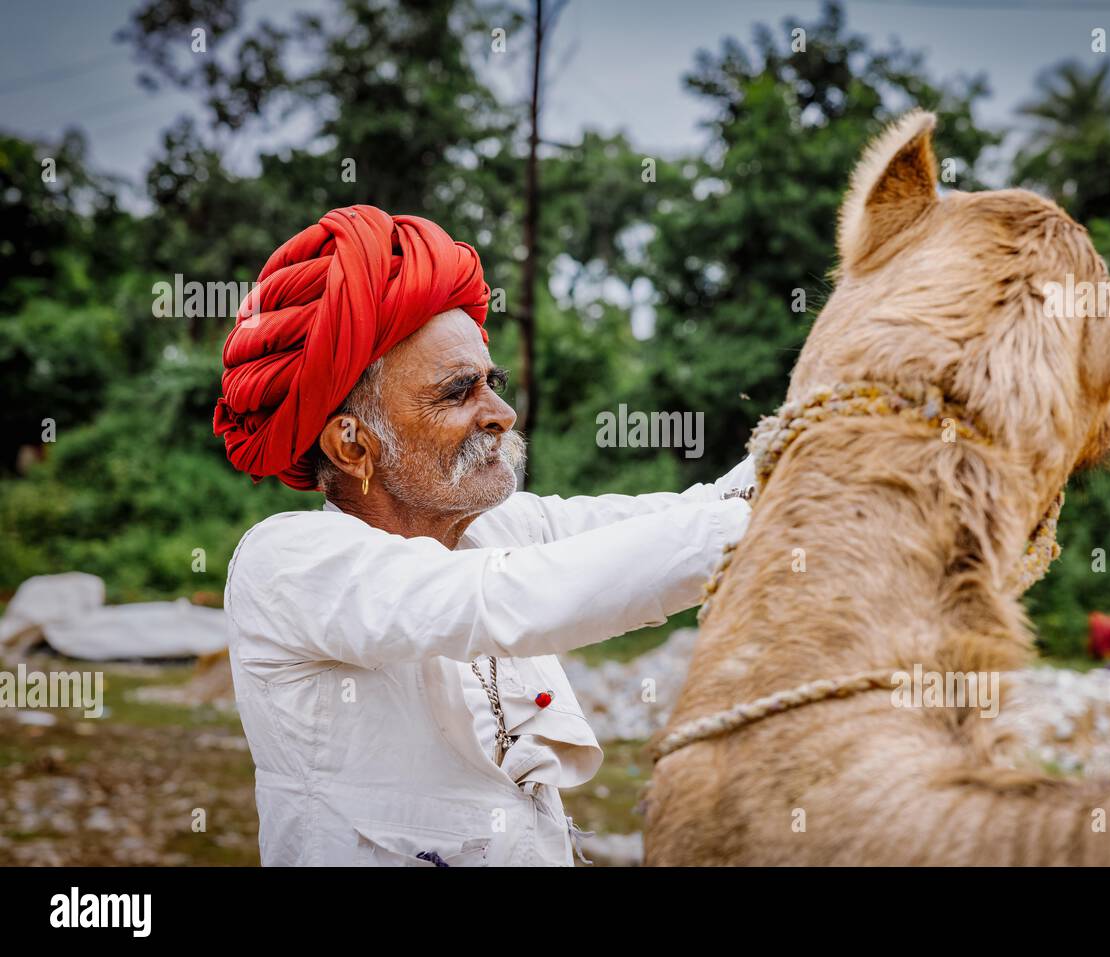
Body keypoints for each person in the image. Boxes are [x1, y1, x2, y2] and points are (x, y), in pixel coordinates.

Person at [214, 205, 753, 866]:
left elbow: (687, 516)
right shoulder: (285, 566)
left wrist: (833, 425)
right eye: (458, 391)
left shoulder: (495, 530)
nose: (502, 413)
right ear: (351, 445)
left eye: (491, 383)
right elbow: (510, 601)